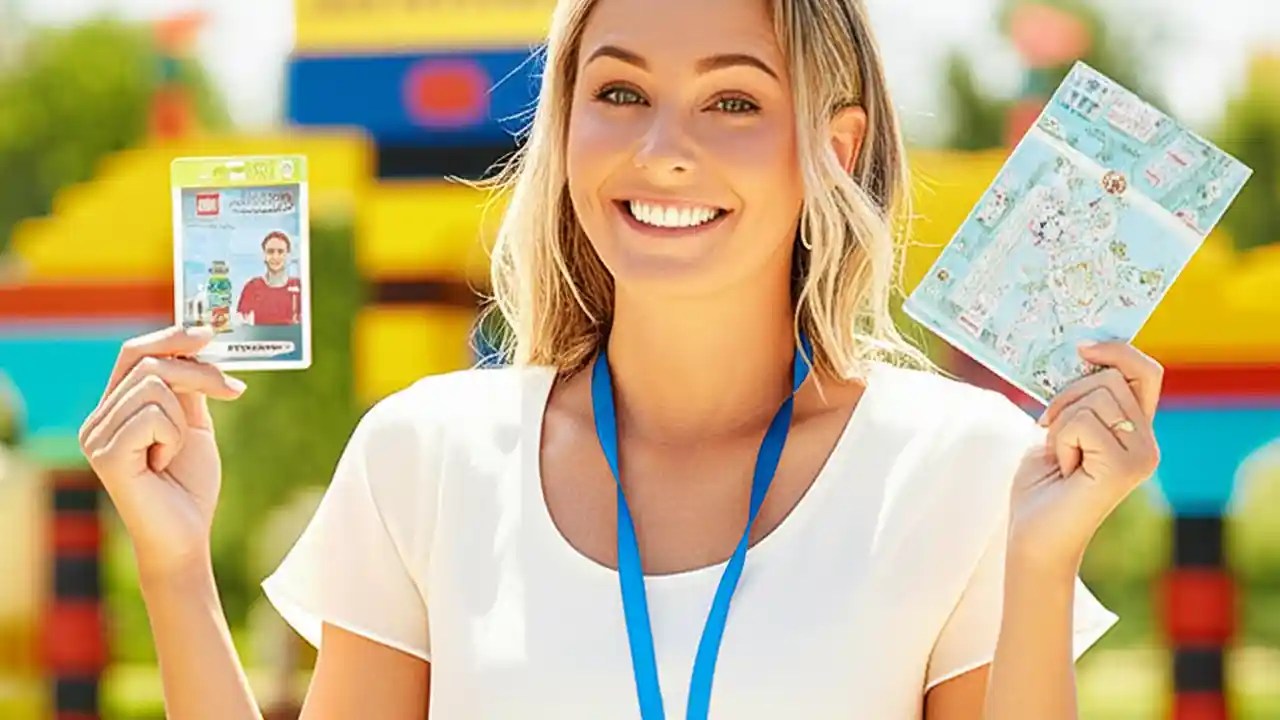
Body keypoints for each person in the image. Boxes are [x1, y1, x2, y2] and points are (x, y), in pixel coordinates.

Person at [76, 0, 1165, 717]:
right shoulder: (426, 452)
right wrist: (174, 570)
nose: (661, 149)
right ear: (565, 126)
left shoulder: (966, 468)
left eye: (731, 100)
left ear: (830, 149)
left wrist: (1041, 561)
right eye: (618, 93)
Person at [236, 230, 300, 326]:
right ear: (264, 255)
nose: (275, 256)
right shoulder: (252, 287)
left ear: (288, 255)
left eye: (280, 252)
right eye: (270, 252)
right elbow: (242, 323)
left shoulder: (298, 287)